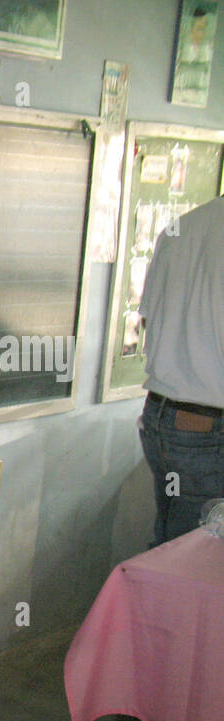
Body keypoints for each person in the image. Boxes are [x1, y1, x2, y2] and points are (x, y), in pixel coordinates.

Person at [138, 194, 224, 546]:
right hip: (208, 424)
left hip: (164, 417)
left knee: (173, 551)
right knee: (199, 561)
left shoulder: (182, 226)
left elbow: (145, 320)